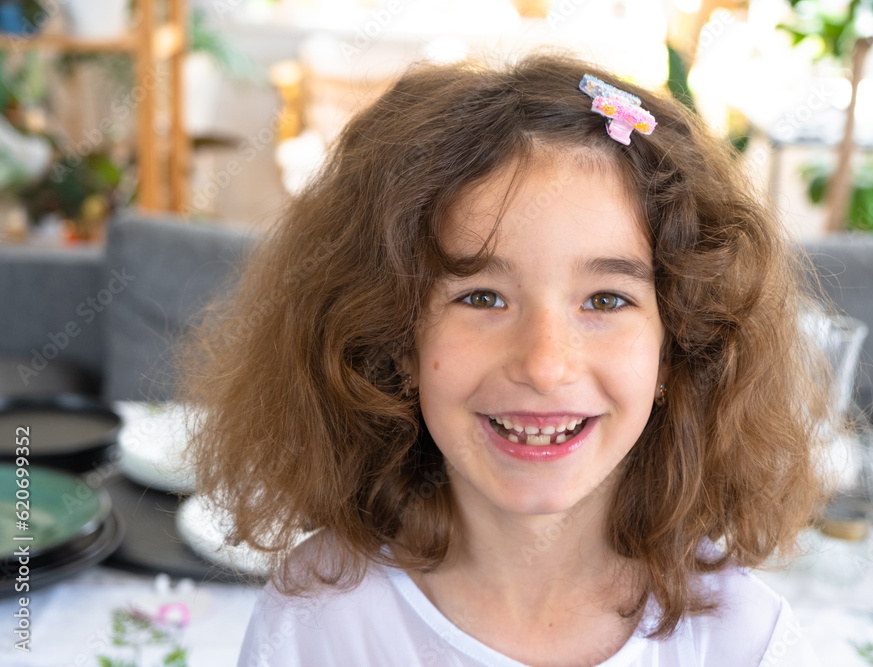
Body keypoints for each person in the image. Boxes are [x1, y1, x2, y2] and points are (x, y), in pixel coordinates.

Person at [181, 53, 831, 666]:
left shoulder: (742, 641)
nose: (546, 364)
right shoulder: (318, 622)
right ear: (395, 337)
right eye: (483, 296)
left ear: (678, 344)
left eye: (606, 298)